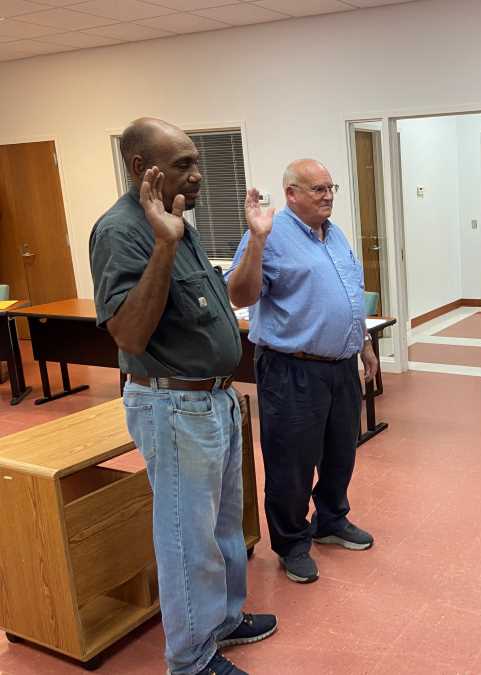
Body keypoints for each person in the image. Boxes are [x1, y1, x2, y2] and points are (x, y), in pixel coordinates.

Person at [90, 118, 276, 675]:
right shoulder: (123, 231)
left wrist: (257, 239)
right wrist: (164, 244)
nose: (197, 176)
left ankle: (219, 621)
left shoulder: (177, 221)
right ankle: (190, 660)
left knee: (222, 525)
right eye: (182, 165)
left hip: (212, 400)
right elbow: (128, 333)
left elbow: (236, 295)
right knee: (185, 536)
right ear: (138, 167)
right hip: (172, 405)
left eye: (197, 162)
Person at [228, 159, 378, 584]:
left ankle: (331, 519)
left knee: (340, 452)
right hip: (292, 369)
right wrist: (256, 241)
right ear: (291, 193)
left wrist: (363, 344)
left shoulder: (335, 235)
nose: (328, 195)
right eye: (317, 189)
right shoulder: (268, 235)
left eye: (331, 188)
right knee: (291, 462)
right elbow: (239, 293)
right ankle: (292, 541)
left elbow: (349, 293)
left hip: (340, 366)